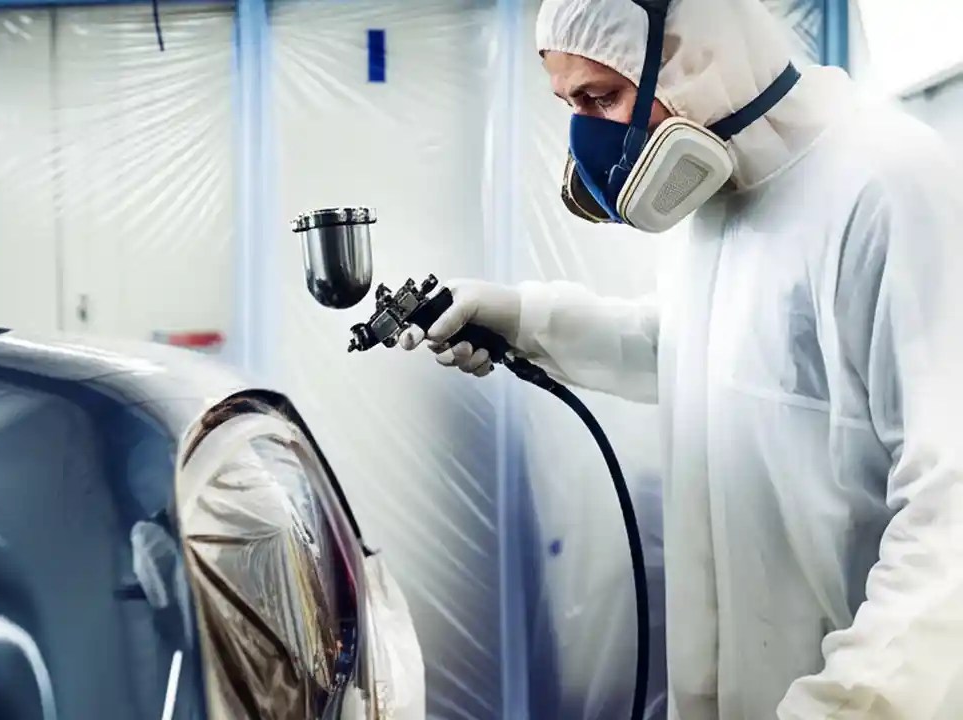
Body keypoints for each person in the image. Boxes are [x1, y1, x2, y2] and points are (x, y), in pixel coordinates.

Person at [400, 0, 963, 717]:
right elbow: (692, 356)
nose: (586, 134)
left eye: (600, 98)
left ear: (691, 54)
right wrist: (523, 319)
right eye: (570, 103)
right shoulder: (725, 204)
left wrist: (848, 702)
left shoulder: (887, 186)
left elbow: (951, 514)